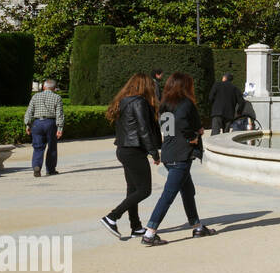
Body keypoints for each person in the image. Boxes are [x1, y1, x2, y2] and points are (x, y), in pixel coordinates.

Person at [141, 72, 215, 247]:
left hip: (169, 153)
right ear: (184, 86)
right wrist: (193, 136)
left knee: (188, 191)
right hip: (181, 155)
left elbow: (167, 128)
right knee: (168, 194)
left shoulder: (165, 104)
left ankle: (197, 226)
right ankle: (150, 233)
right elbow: (187, 124)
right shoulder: (186, 104)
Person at [99, 72, 161, 239]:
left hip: (123, 149)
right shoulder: (139, 102)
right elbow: (144, 130)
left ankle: (136, 226)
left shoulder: (123, 101)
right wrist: (154, 152)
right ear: (145, 86)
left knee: (133, 189)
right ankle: (112, 217)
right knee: (144, 190)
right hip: (134, 150)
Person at [23, 79, 65, 177]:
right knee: (52, 147)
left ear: (43, 87)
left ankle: (36, 166)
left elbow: (29, 111)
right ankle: (50, 170)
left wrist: (28, 124)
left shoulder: (35, 96)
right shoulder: (57, 97)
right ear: (54, 88)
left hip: (37, 124)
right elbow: (60, 115)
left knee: (38, 147)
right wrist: (60, 129)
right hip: (50, 123)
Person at [206, 72, 241, 136]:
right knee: (225, 135)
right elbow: (241, 102)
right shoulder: (235, 88)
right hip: (229, 114)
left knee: (215, 133)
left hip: (217, 112)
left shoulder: (217, 85)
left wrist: (214, 106)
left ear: (224, 78)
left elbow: (210, 97)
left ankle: (213, 145)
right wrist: (239, 112)